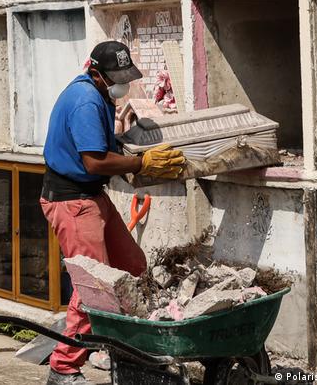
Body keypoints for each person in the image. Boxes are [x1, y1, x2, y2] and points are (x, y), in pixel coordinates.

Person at [41, 40, 186, 385]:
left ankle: (116, 346)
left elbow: (104, 149)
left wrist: (134, 145)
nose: (122, 82)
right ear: (95, 71)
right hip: (71, 201)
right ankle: (63, 368)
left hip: (91, 195)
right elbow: (94, 160)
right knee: (95, 286)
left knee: (132, 267)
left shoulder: (101, 96)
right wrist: (141, 162)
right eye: (117, 76)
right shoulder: (85, 100)